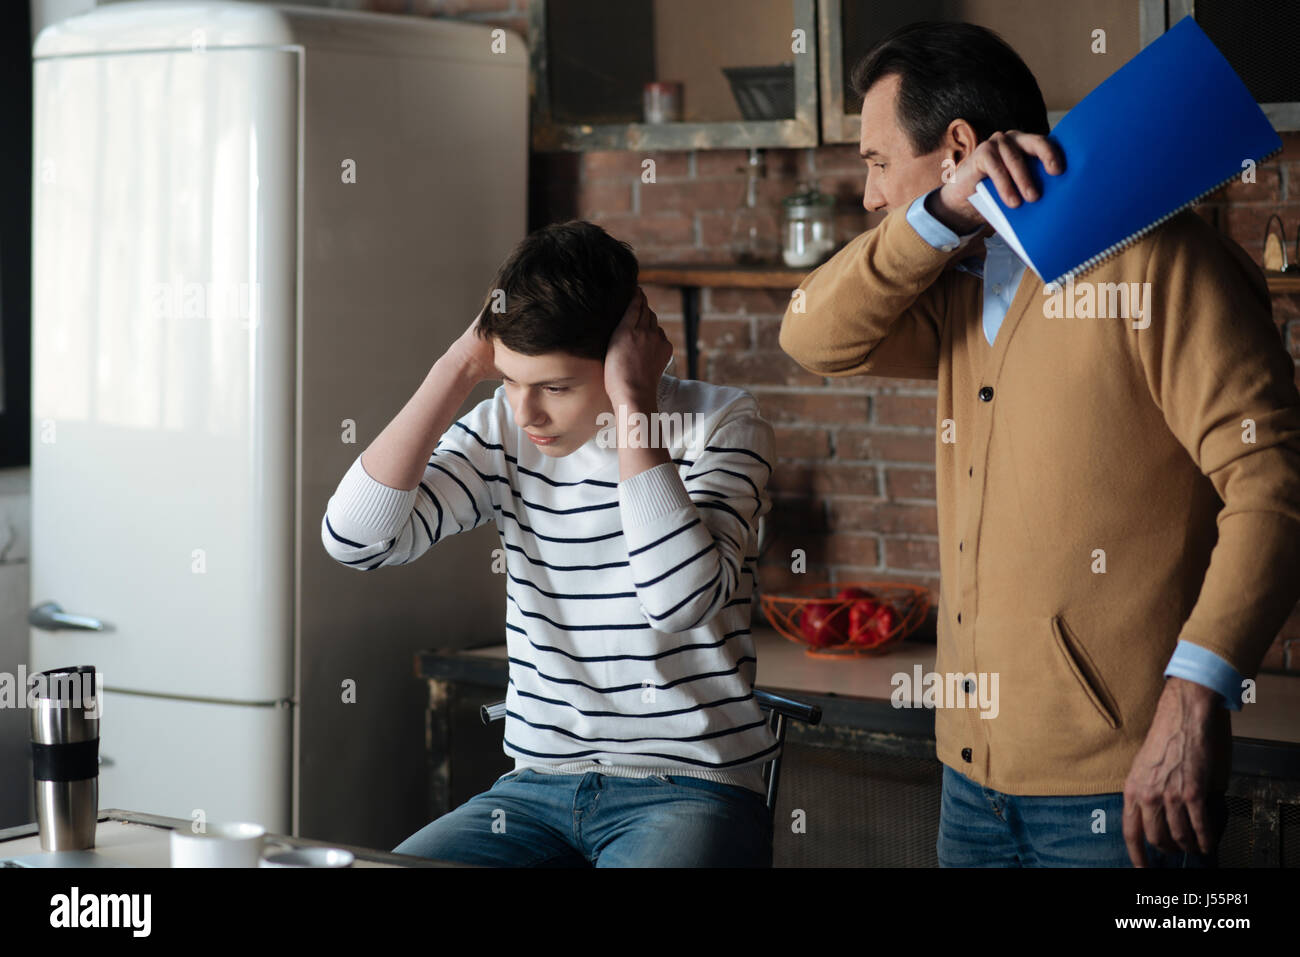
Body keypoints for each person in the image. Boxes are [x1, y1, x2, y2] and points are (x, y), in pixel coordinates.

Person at [779, 21, 1300, 867]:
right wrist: (939, 216)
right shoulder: (952, 287)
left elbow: (1274, 483)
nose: (872, 196)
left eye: (877, 162)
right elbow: (811, 337)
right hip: (969, 783)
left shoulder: (1158, 261)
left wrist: (1195, 695)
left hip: (1121, 787)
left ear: (956, 146)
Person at [321, 220, 779, 867]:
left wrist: (633, 408)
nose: (526, 411)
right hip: (535, 789)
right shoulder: (504, 430)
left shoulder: (721, 423)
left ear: (631, 355)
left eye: (555, 387)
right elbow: (355, 538)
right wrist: (456, 367)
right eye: (509, 379)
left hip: (690, 788)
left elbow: (677, 601)